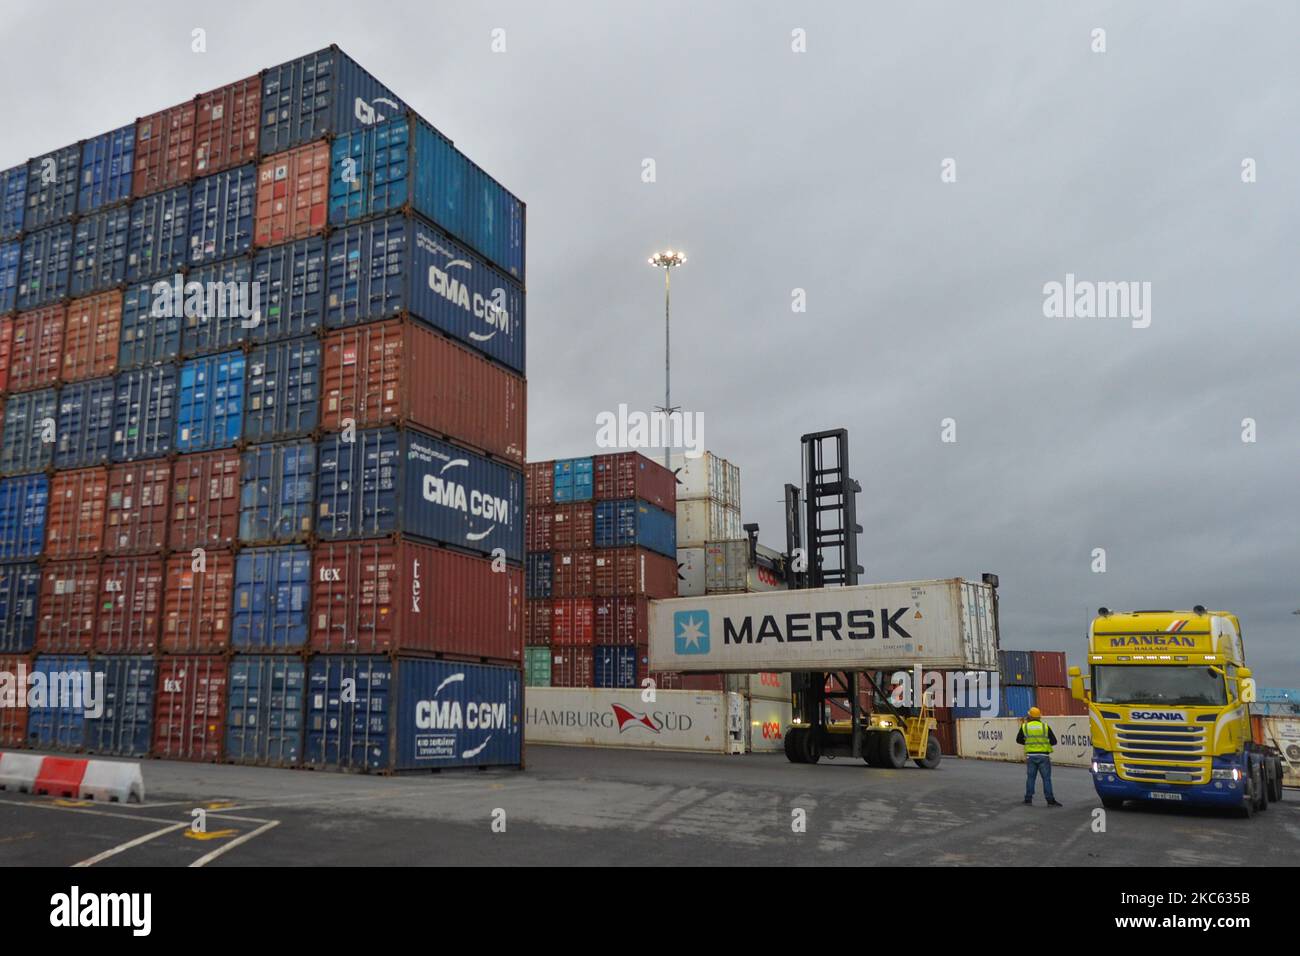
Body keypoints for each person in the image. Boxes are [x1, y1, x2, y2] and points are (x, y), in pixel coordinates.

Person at [1017, 707, 1062, 806]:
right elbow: (1054, 741)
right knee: (1046, 779)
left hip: (1031, 756)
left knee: (1030, 778)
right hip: (1043, 756)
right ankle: (1050, 800)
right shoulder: (1045, 727)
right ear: (1039, 717)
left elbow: (1018, 740)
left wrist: (1029, 743)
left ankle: (1028, 799)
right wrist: (1044, 744)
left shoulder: (1025, 727)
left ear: (1030, 716)